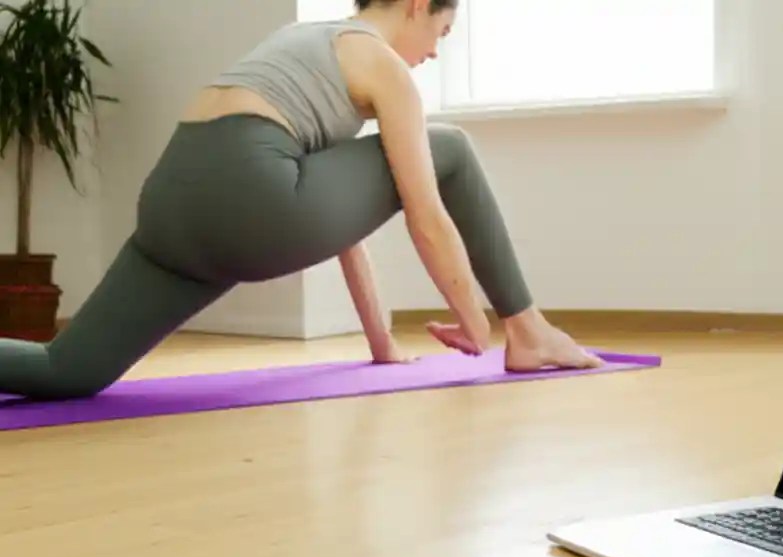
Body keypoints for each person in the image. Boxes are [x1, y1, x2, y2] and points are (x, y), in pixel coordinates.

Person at [0, 0, 603, 401]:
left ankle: (519, 332)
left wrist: (382, 344)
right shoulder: (384, 67)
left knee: (67, 370)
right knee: (452, 148)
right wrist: (479, 320)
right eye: (442, 32)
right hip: (250, 197)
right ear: (419, 6)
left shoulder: (304, 39)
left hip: (169, 203)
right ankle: (530, 330)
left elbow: (338, 211)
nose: (437, 51)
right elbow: (426, 214)